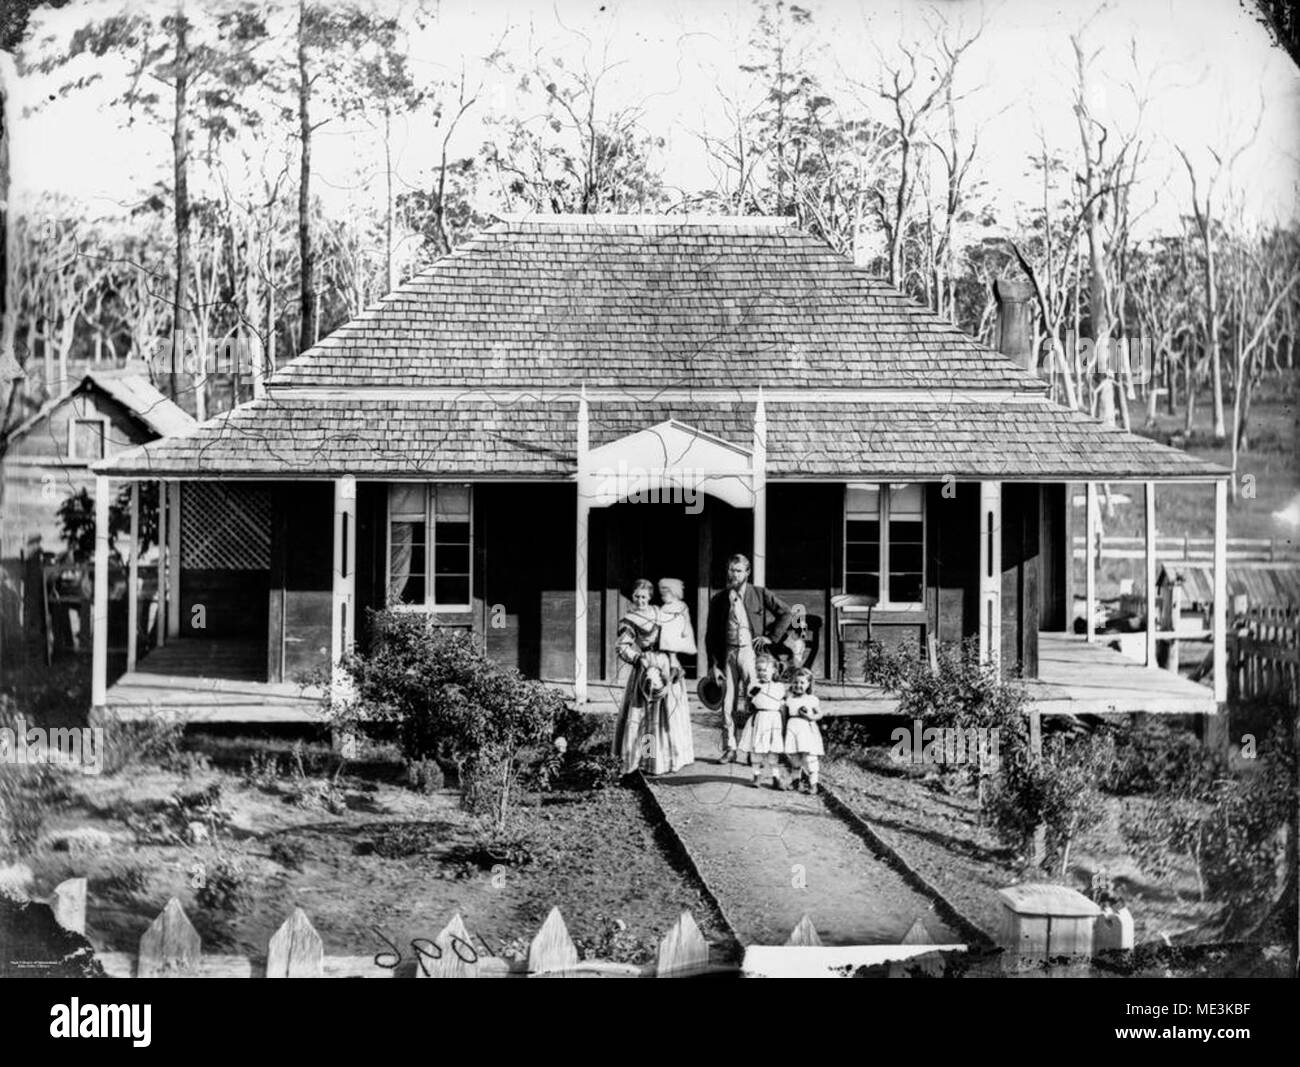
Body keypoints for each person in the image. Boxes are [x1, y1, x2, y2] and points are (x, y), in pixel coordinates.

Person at [704, 553, 792, 762]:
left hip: (750, 654)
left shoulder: (759, 594)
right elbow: (711, 635)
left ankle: (755, 749)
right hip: (727, 655)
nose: (733, 574)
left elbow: (787, 612)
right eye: (731, 570)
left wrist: (771, 637)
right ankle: (730, 748)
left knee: (756, 700)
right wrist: (713, 665)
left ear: (747, 572)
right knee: (727, 703)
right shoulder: (718, 600)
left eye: (738, 570)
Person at [611, 578, 673, 776]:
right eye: (637, 596)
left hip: (665, 663)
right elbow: (621, 646)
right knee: (646, 717)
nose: (640, 600)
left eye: (644, 596)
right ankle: (647, 760)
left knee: (664, 716)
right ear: (632, 597)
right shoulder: (630, 620)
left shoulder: (659, 613)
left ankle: (664, 760)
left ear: (650, 596)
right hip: (646, 666)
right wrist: (638, 659)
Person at [653, 577, 696, 772]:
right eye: (661, 592)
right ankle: (652, 756)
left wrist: (672, 657)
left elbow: (678, 636)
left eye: (666, 591)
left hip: (670, 662)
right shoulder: (660, 610)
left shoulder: (679, 610)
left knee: (672, 711)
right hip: (656, 661)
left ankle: (675, 756)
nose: (664, 595)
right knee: (652, 715)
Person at [737, 653, 786, 789]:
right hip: (760, 719)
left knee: (773, 751)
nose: (762, 673)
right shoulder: (754, 686)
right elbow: (748, 704)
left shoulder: (779, 687)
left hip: (774, 721)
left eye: (765, 670)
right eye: (759, 670)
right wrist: (750, 699)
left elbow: (783, 705)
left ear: (774, 670)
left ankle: (776, 777)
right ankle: (756, 775)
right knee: (757, 750)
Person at [783, 668, 825, 794]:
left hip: (806, 729)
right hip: (792, 729)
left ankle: (813, 784)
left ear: (808, 684)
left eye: (802, 683)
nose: (798, 685)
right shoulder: (789, 699)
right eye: (795, 682)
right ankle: (796, 781)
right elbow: (785, 716)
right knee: (794, 757)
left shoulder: (811, 699)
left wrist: (810, 717)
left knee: (809, 757)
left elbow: (820, 714)